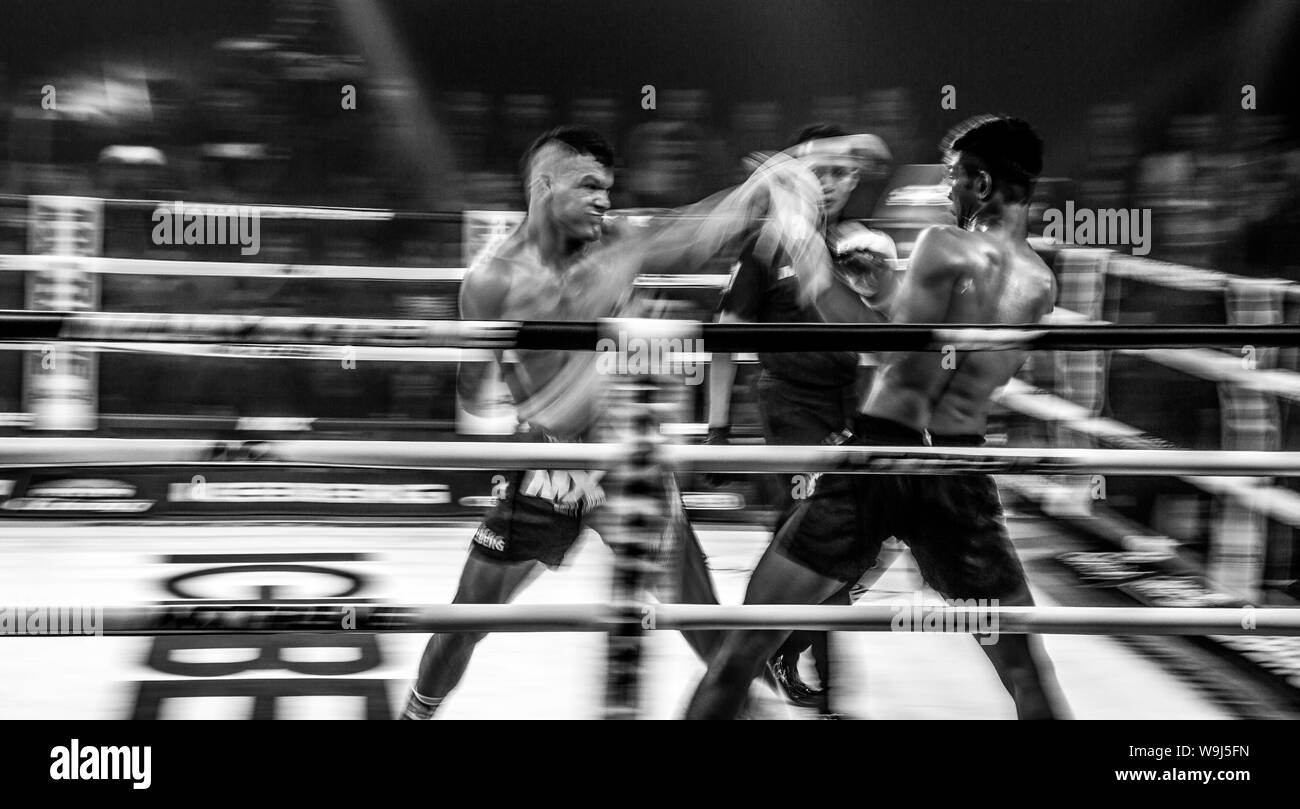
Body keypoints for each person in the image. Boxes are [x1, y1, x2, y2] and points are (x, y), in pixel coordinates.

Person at [686, 115, 1071, 720]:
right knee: (1026, 669)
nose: (947, 192)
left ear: (985, 184)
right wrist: (890, 287)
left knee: (744, 645)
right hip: (957, 469)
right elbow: (946, 353)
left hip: (883, 458)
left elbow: (892, 351)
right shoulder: (1041, 284)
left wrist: (805, 247)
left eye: (956, 179)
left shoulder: (945, 245)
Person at [401, 126, 745, 720]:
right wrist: (547, 396)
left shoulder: (616, 245)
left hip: (626, 461)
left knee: (701, 617)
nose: (604, 200)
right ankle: (413, 715)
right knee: (465, 620)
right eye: (589, 186)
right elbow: (474, 395)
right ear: (544, 186)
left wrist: (769, 182)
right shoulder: (492, 281)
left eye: (608, 188)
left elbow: (694, 230)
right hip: (547, 467)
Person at [706, 124, 896, 711]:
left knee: (869, 541)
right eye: (820, 170)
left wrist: (884, 291)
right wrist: (715, 431)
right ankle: (824, 691)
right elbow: (724, 337)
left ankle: (777, 642)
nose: (833, 183)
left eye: (844, 172)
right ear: (797, 174)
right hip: (790, 411)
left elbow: (890, 343)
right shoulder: (768, 243)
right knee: (821, 538)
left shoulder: (861, 245)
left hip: (851, 408)